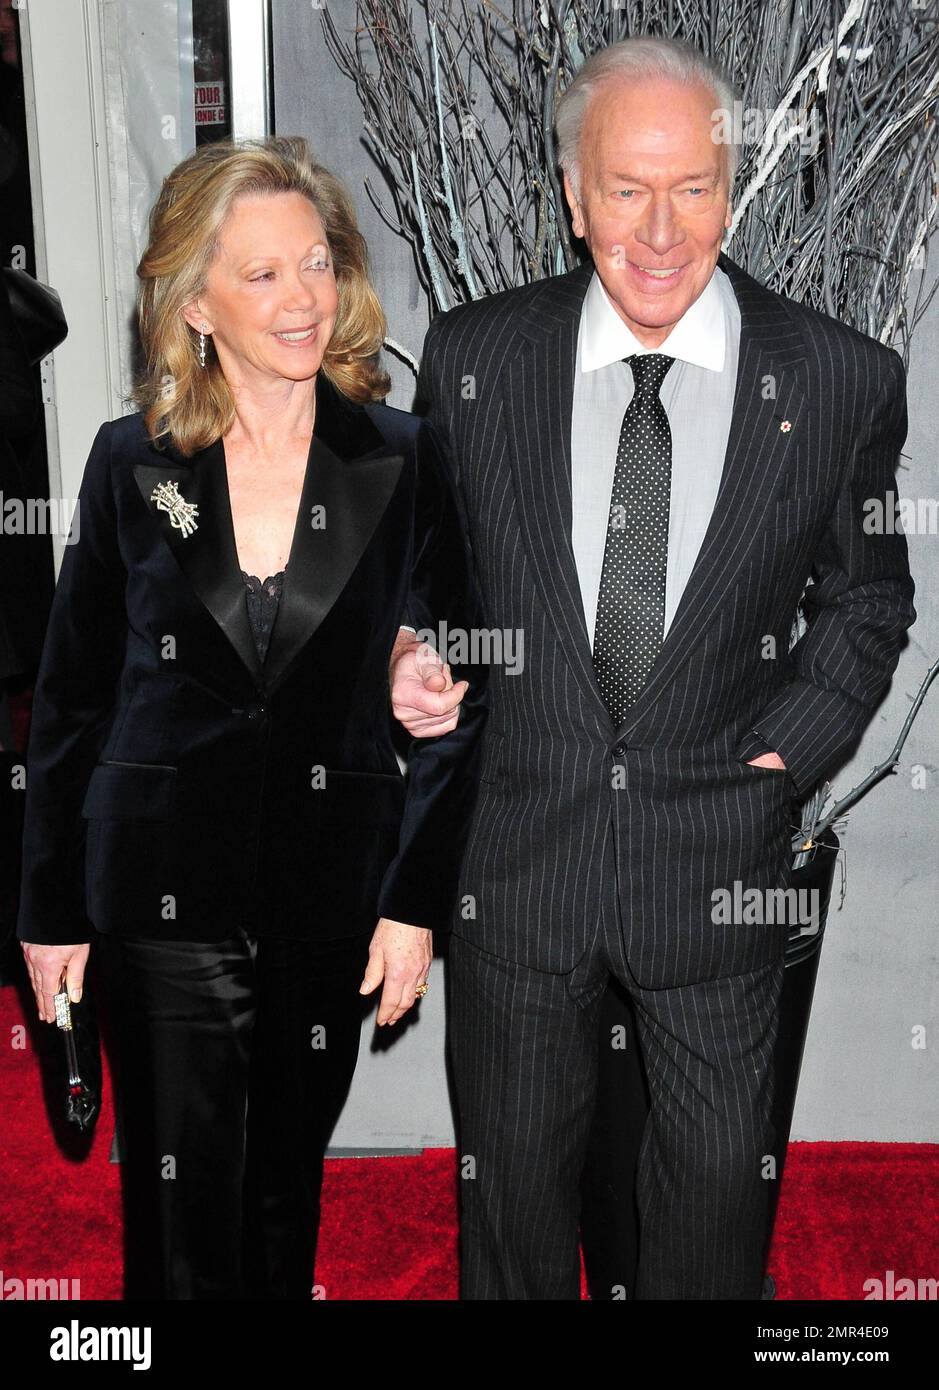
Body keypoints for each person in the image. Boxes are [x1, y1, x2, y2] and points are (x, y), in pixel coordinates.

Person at [389, 36, 915, 1299]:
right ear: (573, 197)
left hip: (722, 867)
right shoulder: (472, 360)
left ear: (733, 189)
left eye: (693, 189)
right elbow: (430, 579)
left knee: (714, 1229)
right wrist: (415, 653)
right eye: (626, 188)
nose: (662, 230)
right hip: (520, 866)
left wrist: (786, 750)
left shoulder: (842, 378)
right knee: (507, 1224)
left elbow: (873, 595)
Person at [16, 135, 487, 1300]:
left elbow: (471, 685)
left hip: (331, 894)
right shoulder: (133, 464)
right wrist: (48, 911)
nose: (303, 300)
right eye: (264, 274)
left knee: (285, 1197)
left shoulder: (403, 456)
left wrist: (416, 901)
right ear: (197, 304)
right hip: (164, 897)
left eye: (317, 264)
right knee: (183, 1224)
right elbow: (71, 700)